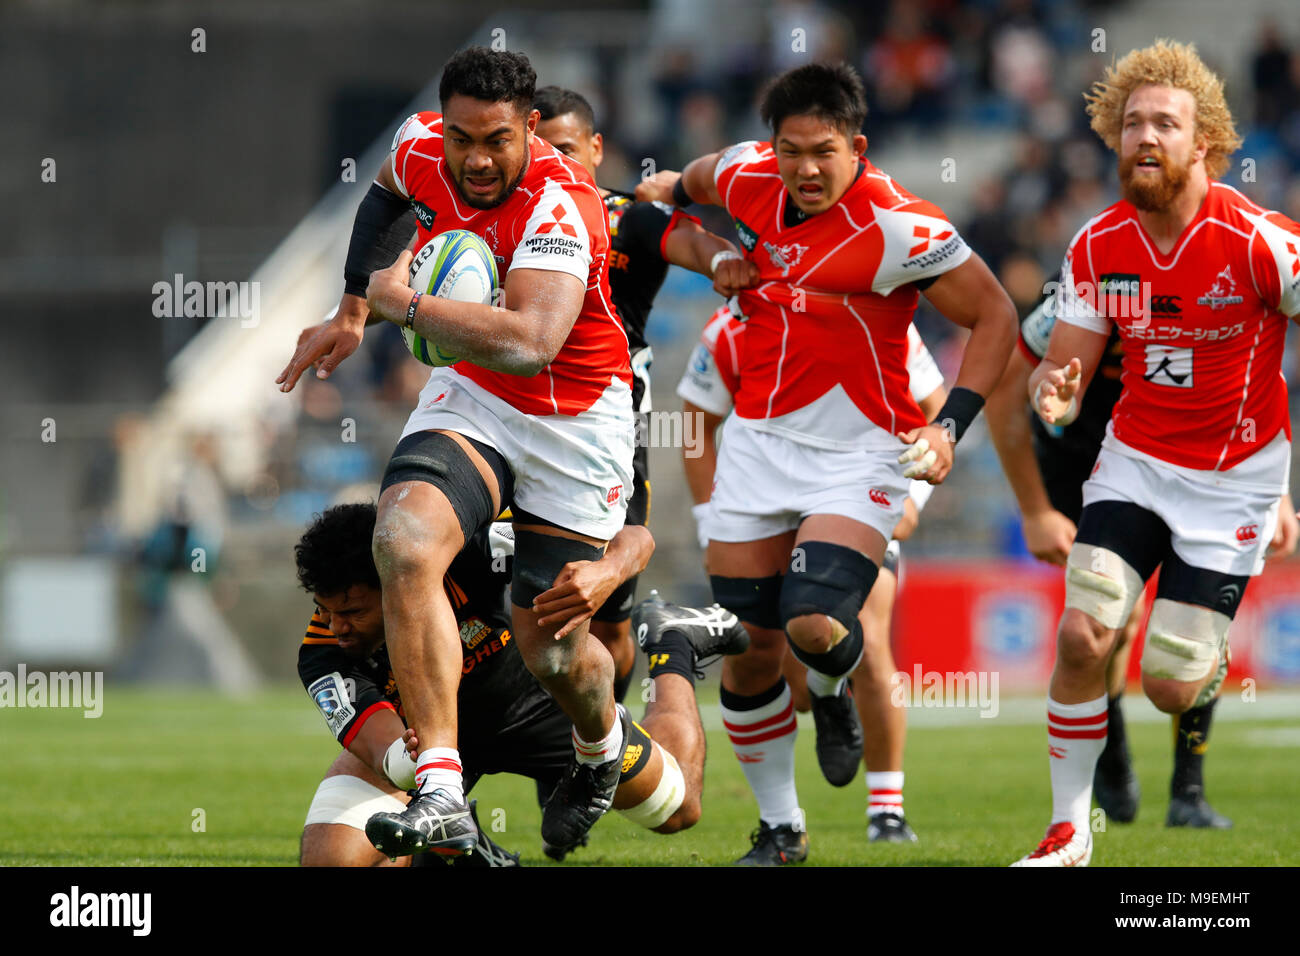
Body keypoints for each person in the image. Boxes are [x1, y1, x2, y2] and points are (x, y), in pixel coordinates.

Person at [638, 61, 1016, 864]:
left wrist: (948, 428)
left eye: (825, 152)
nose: (806, 169)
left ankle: (836, 693)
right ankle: (781, 829)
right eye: (791, 150)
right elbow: (684, 182)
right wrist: (681, 218)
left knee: (815, 623)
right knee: (751, 651)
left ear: (859, 147)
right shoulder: (744, 173)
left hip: (861, 456)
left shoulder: (902, 227)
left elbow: (994, 315)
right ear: (770, 146)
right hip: (759, 448)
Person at [276, 47, 639, 859]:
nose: (476, 159)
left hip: (574, 418)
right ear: (444, 122)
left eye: (497, 141)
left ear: (530, 129)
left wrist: (400, 302)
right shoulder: (418, 145)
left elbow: (533, 342)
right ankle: (442, 785)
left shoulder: (561, 203)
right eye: (463, 139)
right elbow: (382, 203)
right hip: (474, 393)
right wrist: (350, 305)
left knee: (551, 649)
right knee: (403, 541)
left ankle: (600, 745)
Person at [1011, 40, 1300, 866]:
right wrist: (1055, 394)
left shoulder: (1261, 243)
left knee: (1173, 685)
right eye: (1132, 122)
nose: (1145, 136)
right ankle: (1069, 830)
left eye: (1164, 124)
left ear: (1201, 140)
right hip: (1134, 460)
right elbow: (1062, 367)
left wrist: (1281, 486)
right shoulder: (1099, 247)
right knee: (1082, 632)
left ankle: (1187, 687)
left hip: (1235, 481)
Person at [988, 290, 1299, 831]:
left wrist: (1278, 495)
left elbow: (1257, 375)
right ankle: (1112, 756)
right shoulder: (1073, 295)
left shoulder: (1217, 289)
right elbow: (1005, 391)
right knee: (1108, 621)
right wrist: (1034, 509)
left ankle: (1189, 792)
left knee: (1196, 625)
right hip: (1086, 463)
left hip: (1194, 460)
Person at [294, 503, 749, 865]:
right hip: (434, 742)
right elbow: (390, 755)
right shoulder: (322, 653)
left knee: (678, 809)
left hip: (547, 710)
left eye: (352, 612)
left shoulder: (472, 553)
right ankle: (459, 849)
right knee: (331, 860)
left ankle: (674, 645)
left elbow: (635, 538)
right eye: (325, 609)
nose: (337, 627)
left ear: (394, 586)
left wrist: (606, 572)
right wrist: (424, 771)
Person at [677, 300, 949, 843]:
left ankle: (887, 811)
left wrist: (911, 492)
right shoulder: (733, 326)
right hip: (769, 502)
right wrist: (711, 518)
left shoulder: (880, 311)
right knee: (769, 661)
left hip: (859, 496)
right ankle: (793, 792)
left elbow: (936, 411)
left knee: (862, 638)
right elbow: (691, 423)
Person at [532, 85, 745, 704]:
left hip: (610, 434)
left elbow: (701, 246)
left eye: (567, 149)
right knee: (517, 605)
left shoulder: (631, 216)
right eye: (541, 150)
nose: (555, 163)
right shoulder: (500, 221)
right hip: (514, 421)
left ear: (596, 149)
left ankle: (605, 730)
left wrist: (724, 259)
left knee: (607, 618)